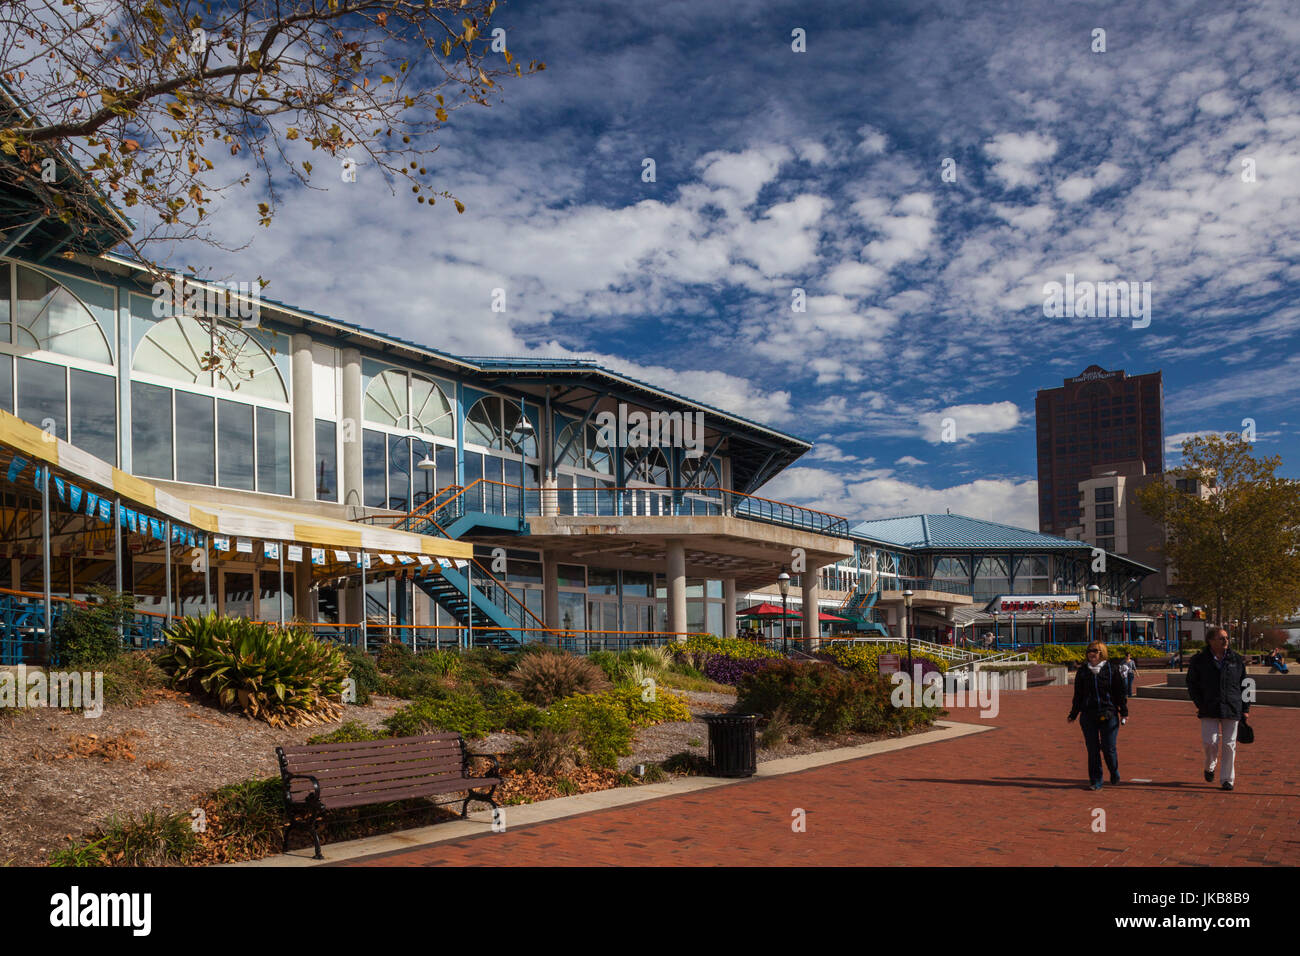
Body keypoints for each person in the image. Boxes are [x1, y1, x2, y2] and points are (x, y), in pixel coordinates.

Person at [1186, 627, 1250, 791]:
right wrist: (1200, 703)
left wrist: (1246, 708)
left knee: (1229, 745)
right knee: (1210, 743)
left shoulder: (1236, 659)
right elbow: (1192, 684)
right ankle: (1210, 767)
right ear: (1211, 641)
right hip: (1209, 707)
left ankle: (1227, 779)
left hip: (1232, 706)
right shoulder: (1199, 660)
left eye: (1226, 638)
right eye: (1221, 638)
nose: (1226, 641)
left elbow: (1247, 684)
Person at [1067, 640, 1129, 790]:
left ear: (1102, 653)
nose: (1091, 654)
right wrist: (1073, 714)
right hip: (1088, 715)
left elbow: (1120, 693)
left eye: (1095, 651)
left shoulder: (1112, 670)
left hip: (1109, 714)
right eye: (1089, 652)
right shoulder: (1083, 672)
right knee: (1093, 749)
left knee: (1108, 748)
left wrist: (1124, 712)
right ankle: (1096, 780)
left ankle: (1113, 771)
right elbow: (1078, 695)